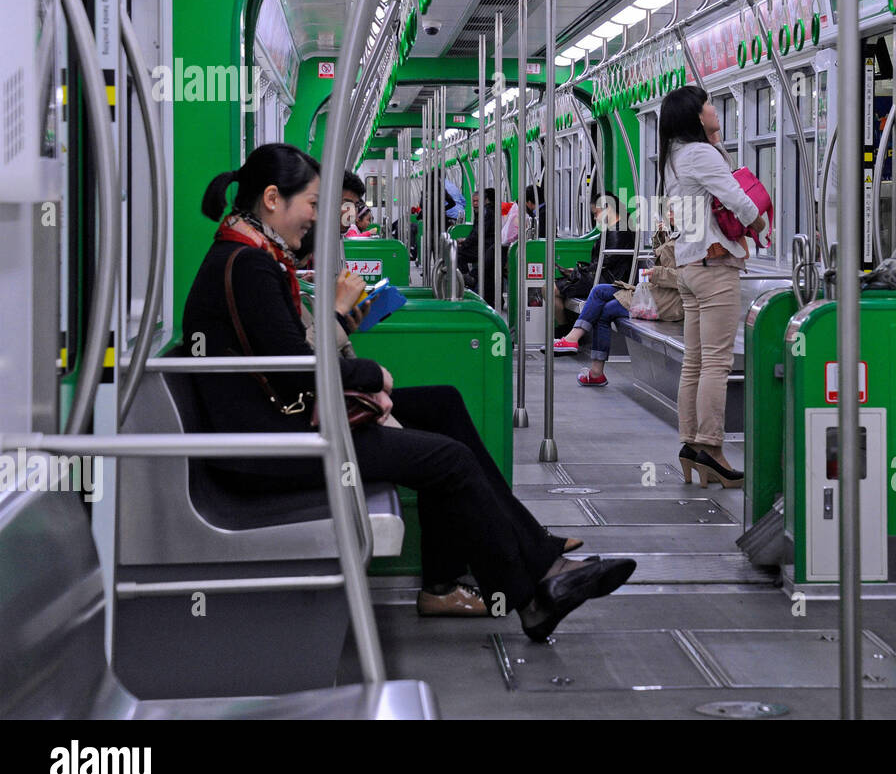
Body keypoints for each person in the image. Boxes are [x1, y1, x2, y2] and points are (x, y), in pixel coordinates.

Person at [182, 143, 633, 636]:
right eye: (312, 204)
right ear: (273, 199)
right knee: (449, 460)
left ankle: (494, 569)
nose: (316, 217)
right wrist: (370, 373)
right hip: (269, 444)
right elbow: (297, 370)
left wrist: (347, 339)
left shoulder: (252, 256)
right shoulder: (248, 266)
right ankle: (531, 595)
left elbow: (288, 359)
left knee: (443, 404)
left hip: (280, 420)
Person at [659, 87, 763, 489]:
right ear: (695, 115)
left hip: (689, 264)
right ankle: (712, 450)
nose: (714, 109)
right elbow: (739, 201)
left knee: (695, 363)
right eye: (708, 105)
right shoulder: (702, 155)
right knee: (717, 364)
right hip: (715, 264)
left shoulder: (675, 158)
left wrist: (715, 143)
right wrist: (759, 225)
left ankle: (690, 444)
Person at [553, 222, 682, 387]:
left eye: (674, 208)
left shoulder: (692, 239)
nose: (670, 212)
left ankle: (594, 369)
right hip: (655, 294)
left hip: (668, 303)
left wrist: (656, 274)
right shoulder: (676, 233)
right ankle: (575, 342)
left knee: (606, 309)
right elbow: (664, 261)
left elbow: (687, 277)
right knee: (599, 291)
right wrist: (661, 236)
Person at [552, 193, 637, 327]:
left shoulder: (619, 231)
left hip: (608, 281)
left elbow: (605, 264)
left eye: (596, 213)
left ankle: (565, 330)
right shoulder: (616, 228)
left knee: (550, 289)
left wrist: (578, 272)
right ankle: (566, 331)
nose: (595, 217)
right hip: (603, 277)